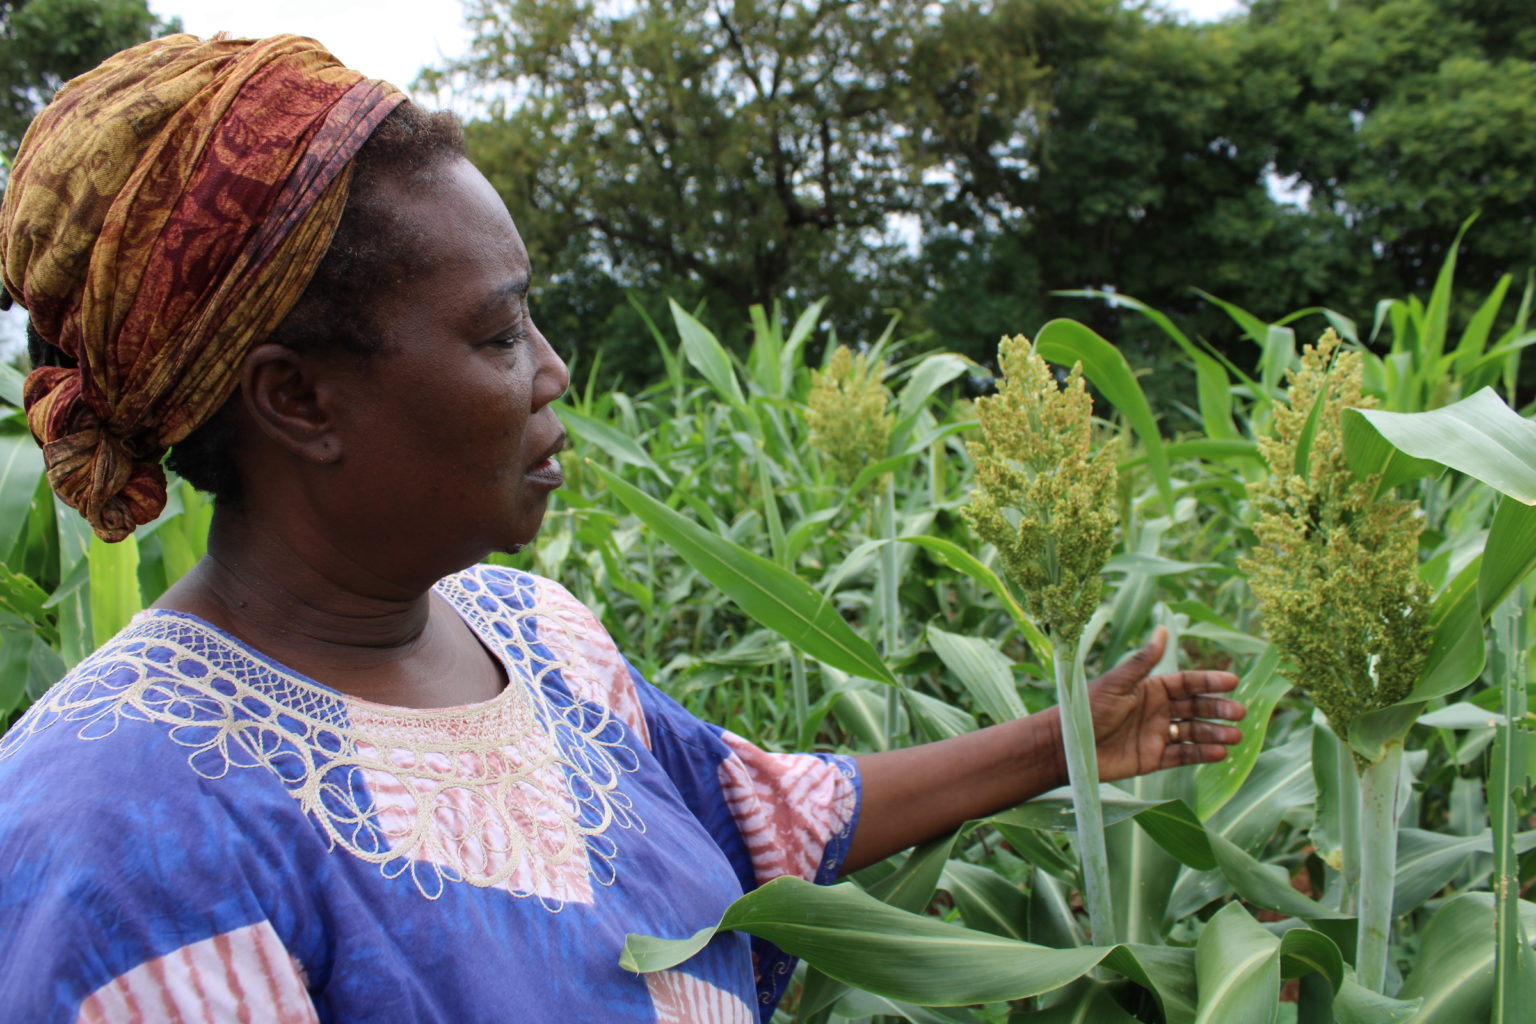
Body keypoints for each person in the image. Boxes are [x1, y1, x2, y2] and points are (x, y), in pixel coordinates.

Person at [0, 34, 1244, 1024]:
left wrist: (1074, 736)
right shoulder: (113, 830)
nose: (551, 375)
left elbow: (764, 813)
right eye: (495, 337)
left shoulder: (533, 633)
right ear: (297, 398)